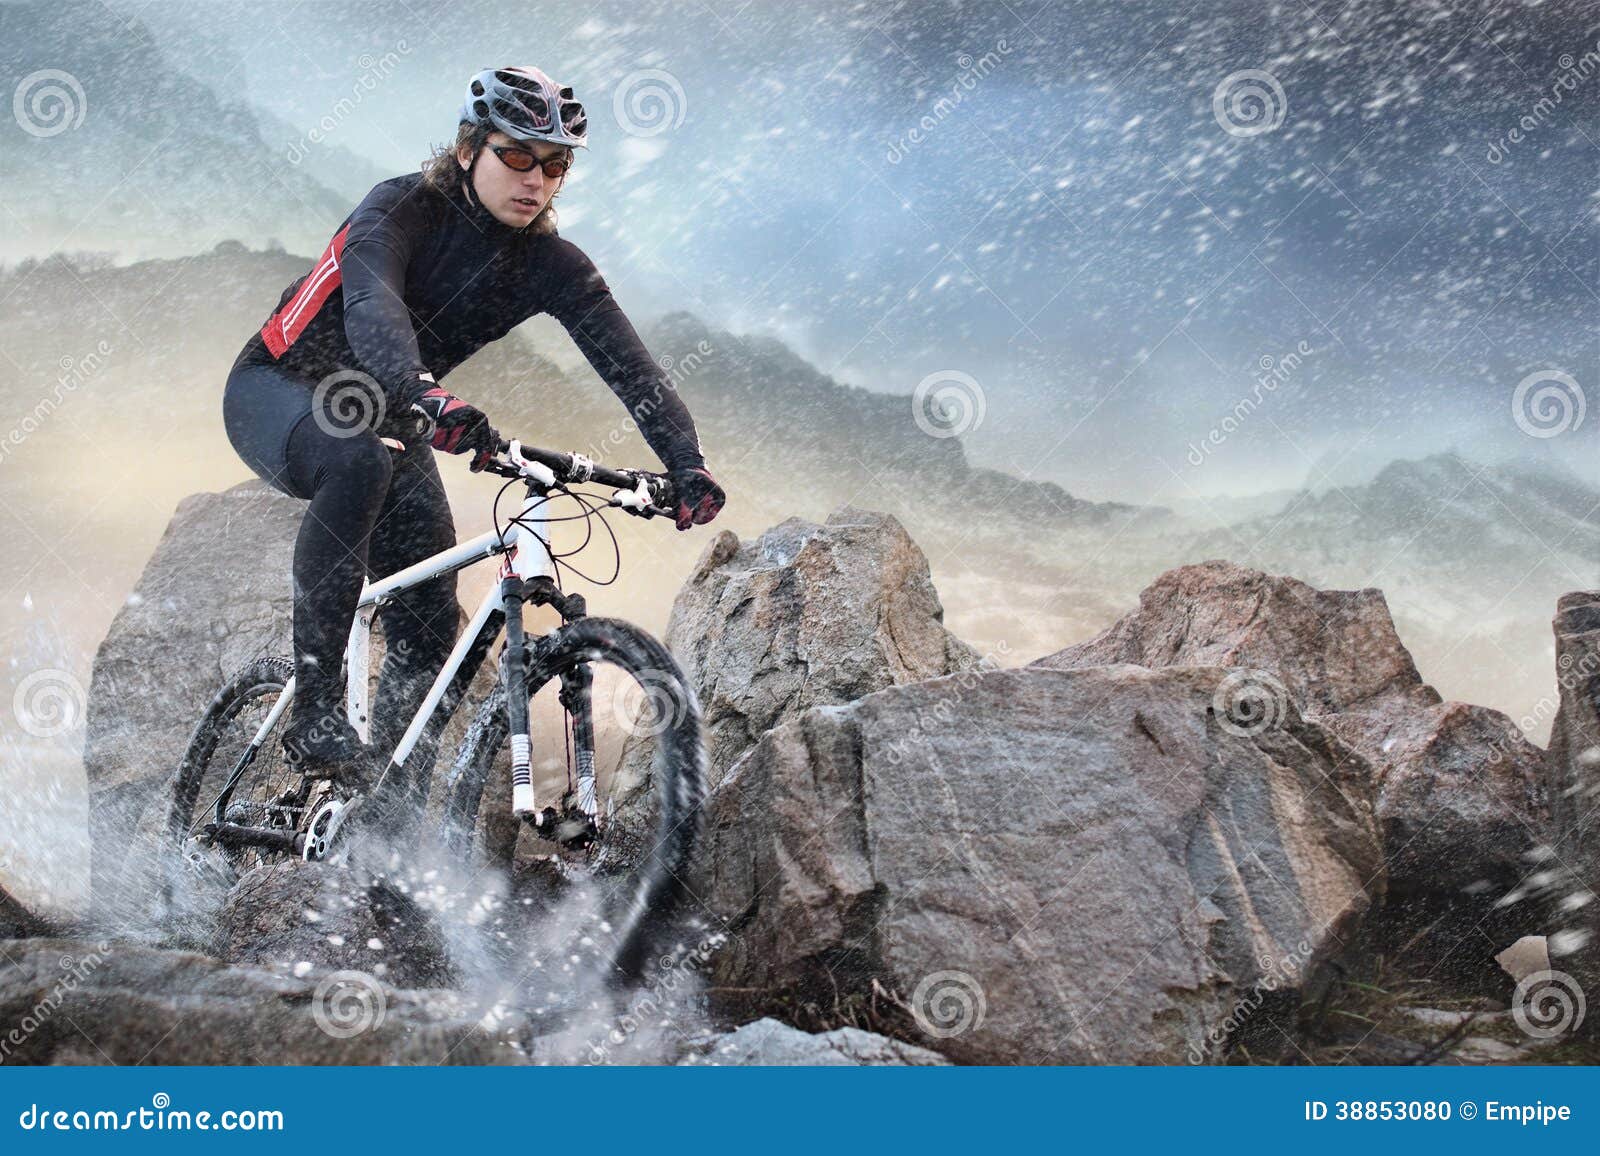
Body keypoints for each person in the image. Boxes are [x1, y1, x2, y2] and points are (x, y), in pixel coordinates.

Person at [221, 66, 725, 785]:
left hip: (394, 414)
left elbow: (633, 369)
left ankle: (383, 811)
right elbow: (372, 309)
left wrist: (686, 464)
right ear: (467, 149)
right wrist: (427, 394)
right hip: (278, 386)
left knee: (429, 632)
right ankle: (315, 713)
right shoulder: (399, 210)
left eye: (555, 166)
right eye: (516, 155)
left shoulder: (551, 265)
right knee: (358, 462)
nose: (536, 179)